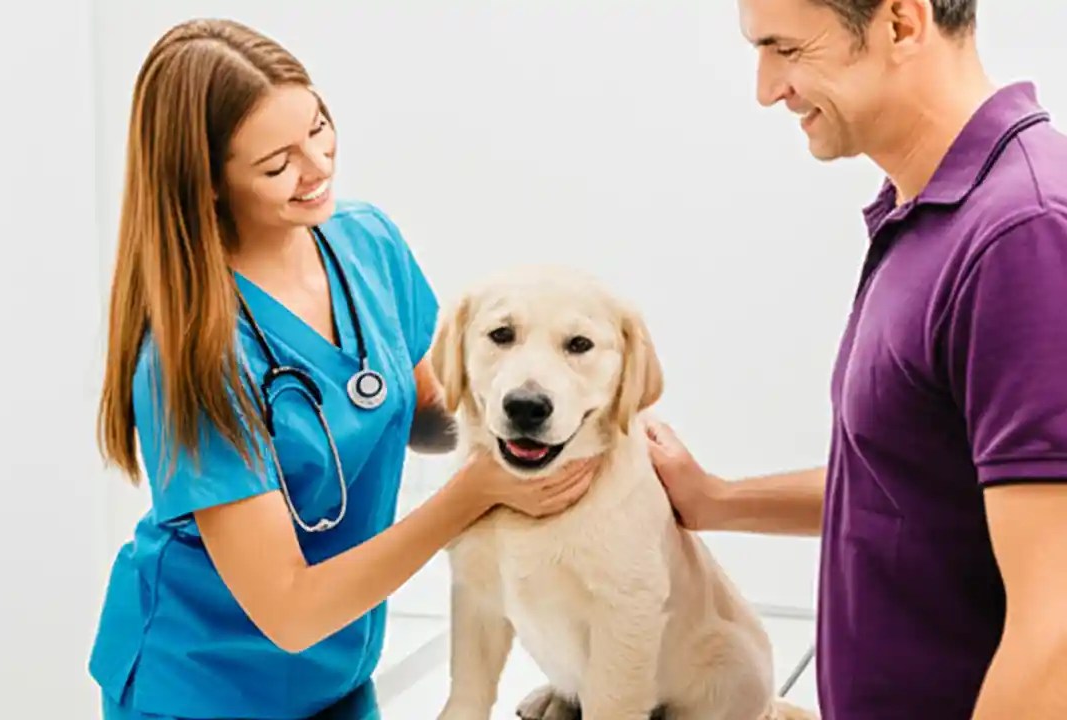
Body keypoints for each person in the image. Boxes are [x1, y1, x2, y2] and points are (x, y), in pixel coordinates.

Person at [86, 18, 600, 720]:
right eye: (277, 164)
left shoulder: (367, 241)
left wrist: (538, 413)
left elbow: (430, 411)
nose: (318, 164)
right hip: (206, 685)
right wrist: (470, 496)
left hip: (336, 674)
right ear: (207, 182)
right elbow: (290, 611)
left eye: (319, 126)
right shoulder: (192, 360)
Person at [645, 1, 1067, 718]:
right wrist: (717, 500)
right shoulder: (931, 216)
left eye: (785, 49)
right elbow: (925, 480)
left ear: (901, 22)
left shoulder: (1022, 234)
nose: (766, 88)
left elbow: (1056, 632)